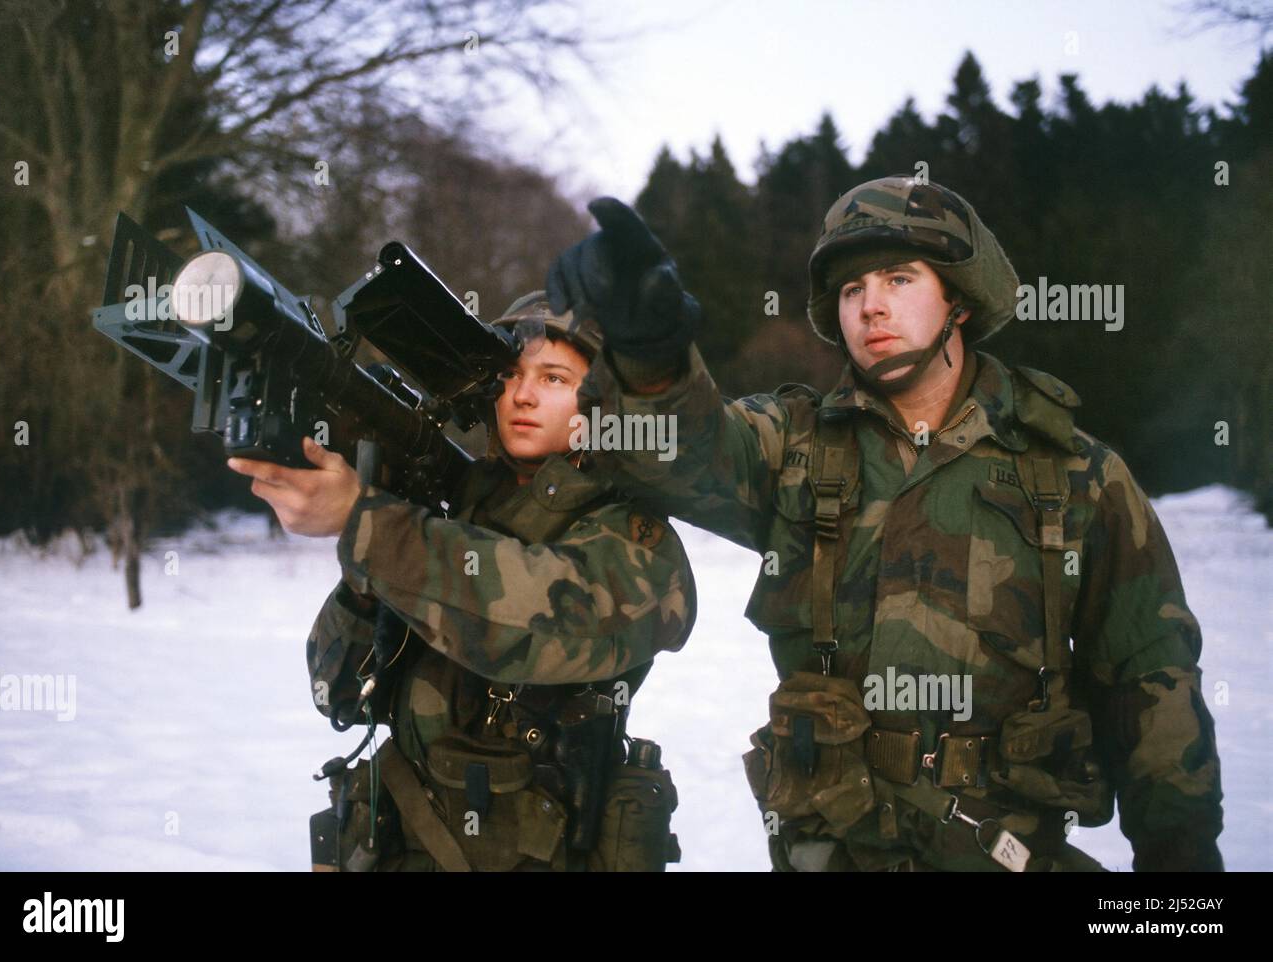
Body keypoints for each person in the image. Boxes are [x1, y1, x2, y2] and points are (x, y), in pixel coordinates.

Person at [545, 176, 1224, 872]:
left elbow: (1150, 676)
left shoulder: (1075, 472)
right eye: (849, 290)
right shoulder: (796, 447)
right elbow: (685, 454)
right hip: (835, 850)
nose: (870, 306)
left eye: (899, 279)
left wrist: (1182, 859)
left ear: (957, 297)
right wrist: (653, 357)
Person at [227, 292, 695, 871]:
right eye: (509, 376)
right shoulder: (448, 520)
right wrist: (367, 568)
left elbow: (533, 624)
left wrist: (366, 522)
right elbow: (339, 694)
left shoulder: (634, 537)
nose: (522, 395)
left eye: (553, 378)